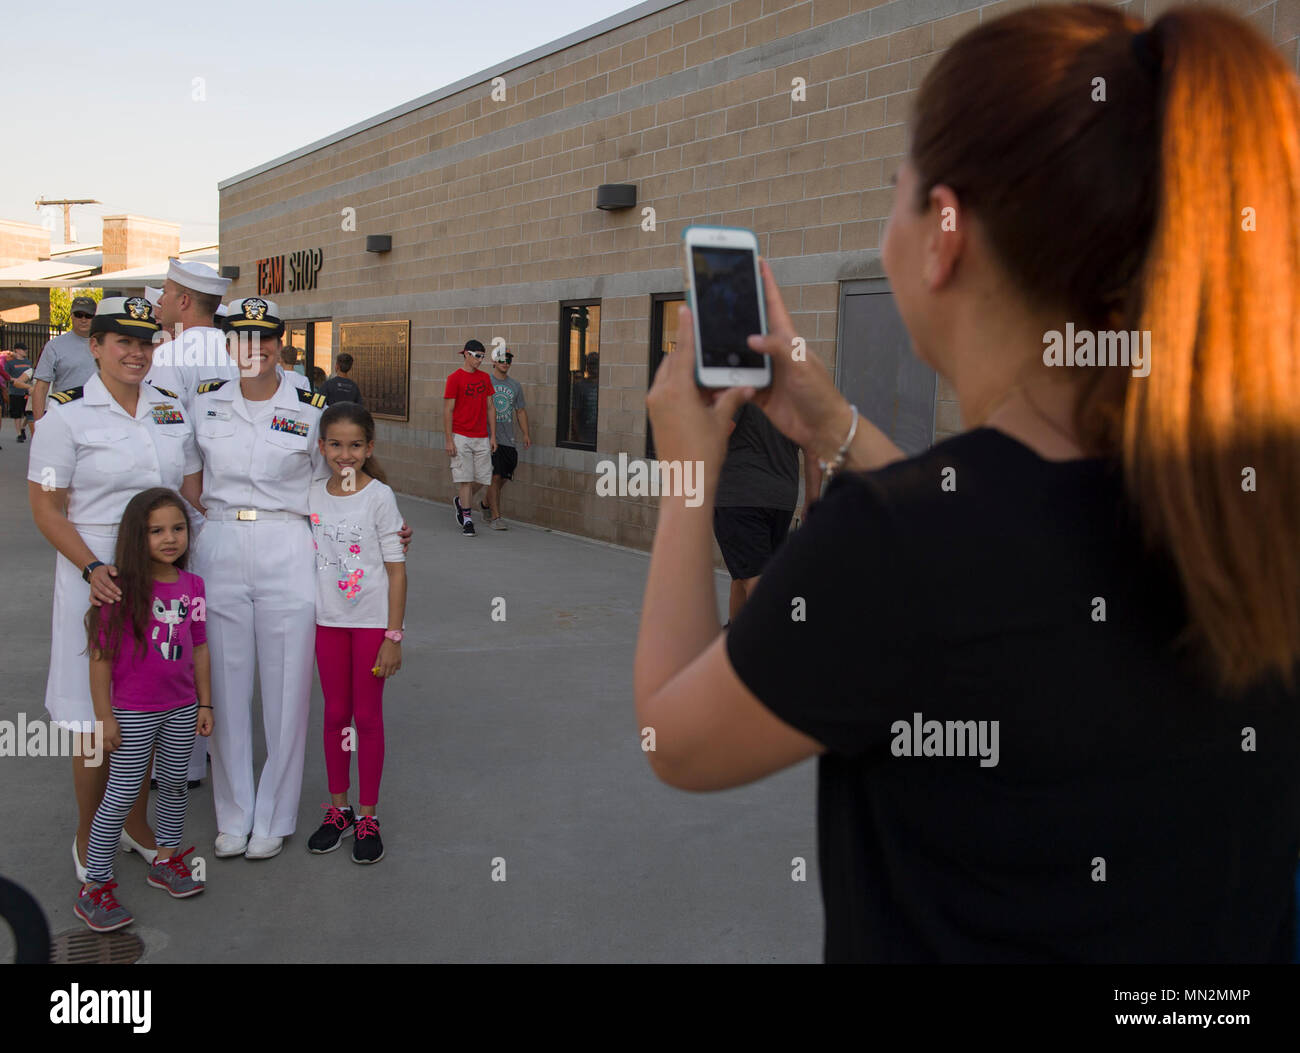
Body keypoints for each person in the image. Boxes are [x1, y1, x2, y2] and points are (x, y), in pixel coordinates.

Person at [636, 4, 1300, 963]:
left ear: (944, 232)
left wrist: (688, 476)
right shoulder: (1250, 506)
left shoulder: (897, 547)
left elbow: (674, 738)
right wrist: (836, 426)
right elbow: (1014, 535)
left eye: (893, 188)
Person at [182, 297, 413, 860]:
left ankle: (276, 815)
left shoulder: (310, 408)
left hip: (289, 544)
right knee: (229, 690)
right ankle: (234, 815)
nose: (253, 350)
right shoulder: (204, 403)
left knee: (287, 689)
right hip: (219, 543)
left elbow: (336, 480)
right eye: (241, 338)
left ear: (280, 343)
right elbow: (191, 484)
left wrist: (384, 528)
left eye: (264, 339)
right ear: (227, 344)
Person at [28, 296, 203, 883]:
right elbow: (48, 509)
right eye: (121, 341)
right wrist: (89, 569)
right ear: (95, 345)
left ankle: (129, 819)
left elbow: (186, 496)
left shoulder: (169, 409)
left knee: (148, 703)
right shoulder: (66, 418)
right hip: (95, 573)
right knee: (93, 715)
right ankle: (87, 833)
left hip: (156, 575)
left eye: (145, 342)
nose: (136, 352)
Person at [75, 488, 211, 931]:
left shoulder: (193, 587)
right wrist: (104, 716)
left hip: (182, 707)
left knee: (173, 784)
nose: (170, 538)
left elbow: (200, 647)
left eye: (177, 529)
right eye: (156, 531)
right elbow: (101, 657)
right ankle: (95, 884)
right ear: (137, 536)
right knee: (121, 792)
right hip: (133, 711)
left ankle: (166, 860)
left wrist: (204, 702)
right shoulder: (119, 590)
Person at [306, 403, 406, 864]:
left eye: (354, 445)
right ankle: (339, 807)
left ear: (369, 449)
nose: (344, 454)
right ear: (322, 446)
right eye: (335, 444)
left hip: (369, 625)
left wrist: (393, 635)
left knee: (366, 718)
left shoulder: (379, 496)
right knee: (334, 715)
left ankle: (368, 813)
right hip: (328, 623)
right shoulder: (310, 495)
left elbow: (396, 570)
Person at [713, 404, 821, 623]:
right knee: (744, 574)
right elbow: (813, 450)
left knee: (755, 580)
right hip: (781, 501)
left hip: (740, 497)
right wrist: (811, 501)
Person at [144, 259, 235, 409]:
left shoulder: (170, 354)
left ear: (184, 301)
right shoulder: (237, 350)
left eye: (165, 292)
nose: (160, 300)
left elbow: (161, 421)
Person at [443, 339, 496, 537]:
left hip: (481, 435)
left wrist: (493, 436)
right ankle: (467, 519)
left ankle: (460, 501)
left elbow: (491, 407)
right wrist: (449, 439)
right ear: (466, 354)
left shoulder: (484, 378)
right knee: (464, 479)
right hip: (461, 435)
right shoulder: (454, 378)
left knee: (484, 478)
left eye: (483, 356)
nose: (480, 360)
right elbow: (448, 410)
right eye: (477, 356)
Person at [480, 345, 530, 530]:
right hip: (488, 437)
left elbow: (521, 411)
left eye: (508, 359)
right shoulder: (486, 381)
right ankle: (495, 517)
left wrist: (525, 433)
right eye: (501, 359)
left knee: (503, 477)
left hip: (508, 439)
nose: (505, 362)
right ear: (493, 361)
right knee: (495, 476)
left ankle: (485, 504)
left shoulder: (515, 386)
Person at [31, 296, 98, 423]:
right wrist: (39, 425)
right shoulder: (54, 346)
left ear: (95, 317)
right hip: (65, 417)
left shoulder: (108, 344)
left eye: (88, 315)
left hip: (100, 417)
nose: (83, 320)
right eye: (79, 315)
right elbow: (41, 388)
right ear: (71, 316)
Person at [6, 342, 35, 443]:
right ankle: (19, 434)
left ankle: (23, 427)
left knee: (29, 412)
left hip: (27, 392)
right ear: (17, 350)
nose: (26, 351)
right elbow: (6, 376)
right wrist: (14, 381)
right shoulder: (10, 363)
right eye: (23, 349)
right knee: (17, 414)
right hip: (15, 391)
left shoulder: (28, 362)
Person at [570, 352, 598, 445]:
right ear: (587, 366)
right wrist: (579, 438)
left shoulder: (605, 387)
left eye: (595, 363)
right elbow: (574, 414)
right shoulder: (580, 386)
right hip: (585, 439)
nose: (593, 367)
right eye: (590, 364)